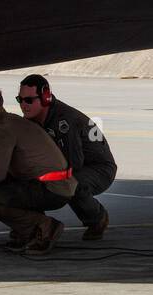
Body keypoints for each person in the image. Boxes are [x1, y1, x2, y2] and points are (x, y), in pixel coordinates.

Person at [0, 87, 77, 256]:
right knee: (5, 185)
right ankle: (29, 230)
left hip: (51, 188)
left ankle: (44, 227)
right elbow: (11, 161)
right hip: (58, 185)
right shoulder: (10, 121)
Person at [16, 75, 115, 241]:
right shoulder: (34, 119)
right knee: (27, 181)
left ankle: (97, 218)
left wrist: (43, 175)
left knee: (70, 184)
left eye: (29, 100)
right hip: (73, 165)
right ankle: (32, 225)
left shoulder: (64, 121)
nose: (23, 105)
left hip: (98, 168)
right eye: (20, 100)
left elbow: (73, 163)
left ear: (46, 97)